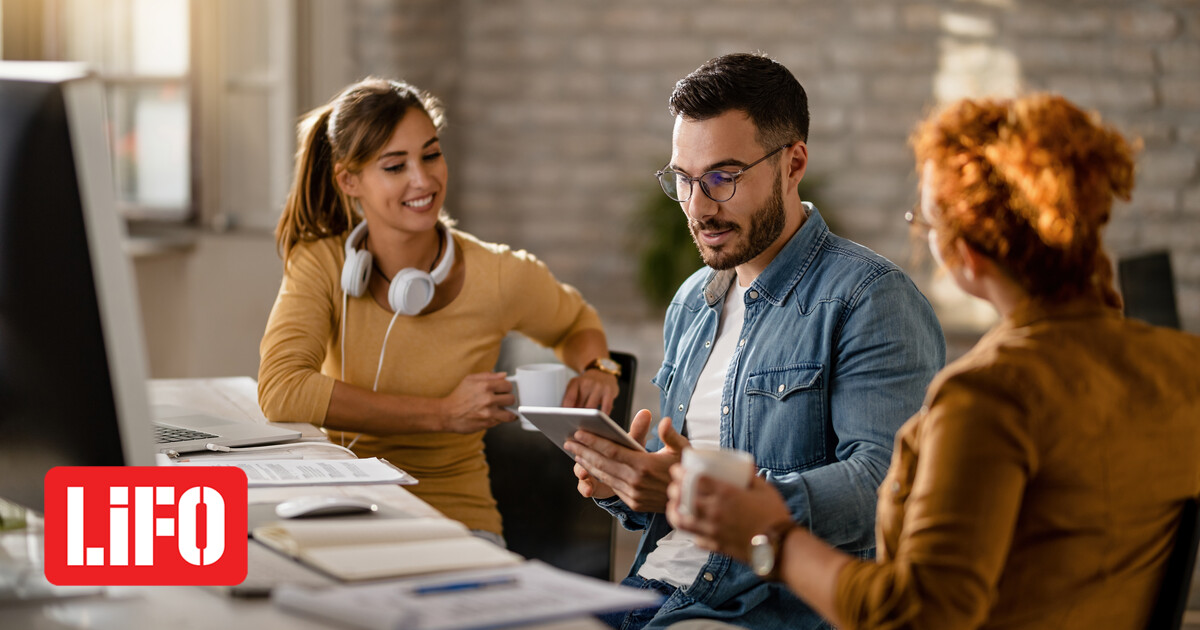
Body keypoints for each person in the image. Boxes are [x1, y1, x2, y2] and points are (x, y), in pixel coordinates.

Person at [664, 93, 1200, 630]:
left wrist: (773, 538)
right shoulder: (1185, 366)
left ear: (966, 253)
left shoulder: (988, 397)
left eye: (926, 222)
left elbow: (917, 615)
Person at [564, 53, 945, 629]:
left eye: (723, 177)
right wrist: (627, 484)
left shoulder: (870, 298)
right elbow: (680, 500)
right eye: (684, 180)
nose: (698, 206)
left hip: (764, 608)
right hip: (656, 588)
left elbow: (886, 486)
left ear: (793, 164)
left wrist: (705, 489)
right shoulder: (694, 300)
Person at [258, 77, 620, 542]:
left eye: (430, 154)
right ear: (350, 180)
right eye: (395, 166)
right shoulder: (323, 263)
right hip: (343, 508)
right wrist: (440, 414)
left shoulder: (501, 274)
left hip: (458, 519)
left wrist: (599, 368)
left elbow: (576, 322)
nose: (423, 180)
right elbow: (283, 390)